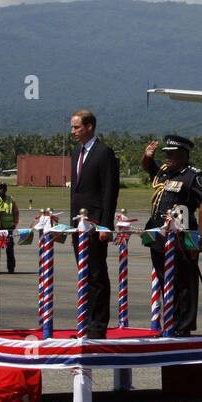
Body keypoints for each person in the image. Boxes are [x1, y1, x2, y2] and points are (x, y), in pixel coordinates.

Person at [142, 135, 202, 337]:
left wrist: (198, 238)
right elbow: (148, 167)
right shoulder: (164, 173)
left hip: (184, 233)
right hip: (158, 233)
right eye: (166, 154)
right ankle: (170, 321)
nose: (167, 157)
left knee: (184, 281)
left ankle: (183, 325)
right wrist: (147, 156)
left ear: (183, 154)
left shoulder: (194, 176)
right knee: (164, 279)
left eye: (171, 154)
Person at [71, 109, 121, 337]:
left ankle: (98, 325)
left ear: (89, 126)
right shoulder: (77, 153)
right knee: (84, 274)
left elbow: (109, 191)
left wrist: (105, 225)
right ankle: (85, 322)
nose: (73, 132)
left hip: (95, 223)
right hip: (78, 223)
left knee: (97, 274)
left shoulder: (103, 153)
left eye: (76, 127)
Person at [0, 182, 19, 273]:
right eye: (0, 188)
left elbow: (15, 212)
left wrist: (15, 223)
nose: (2, 190)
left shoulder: (10, 200)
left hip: (9, 228)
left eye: (4, 188)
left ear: (6, 189)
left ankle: (11, 267)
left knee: (9, 247)